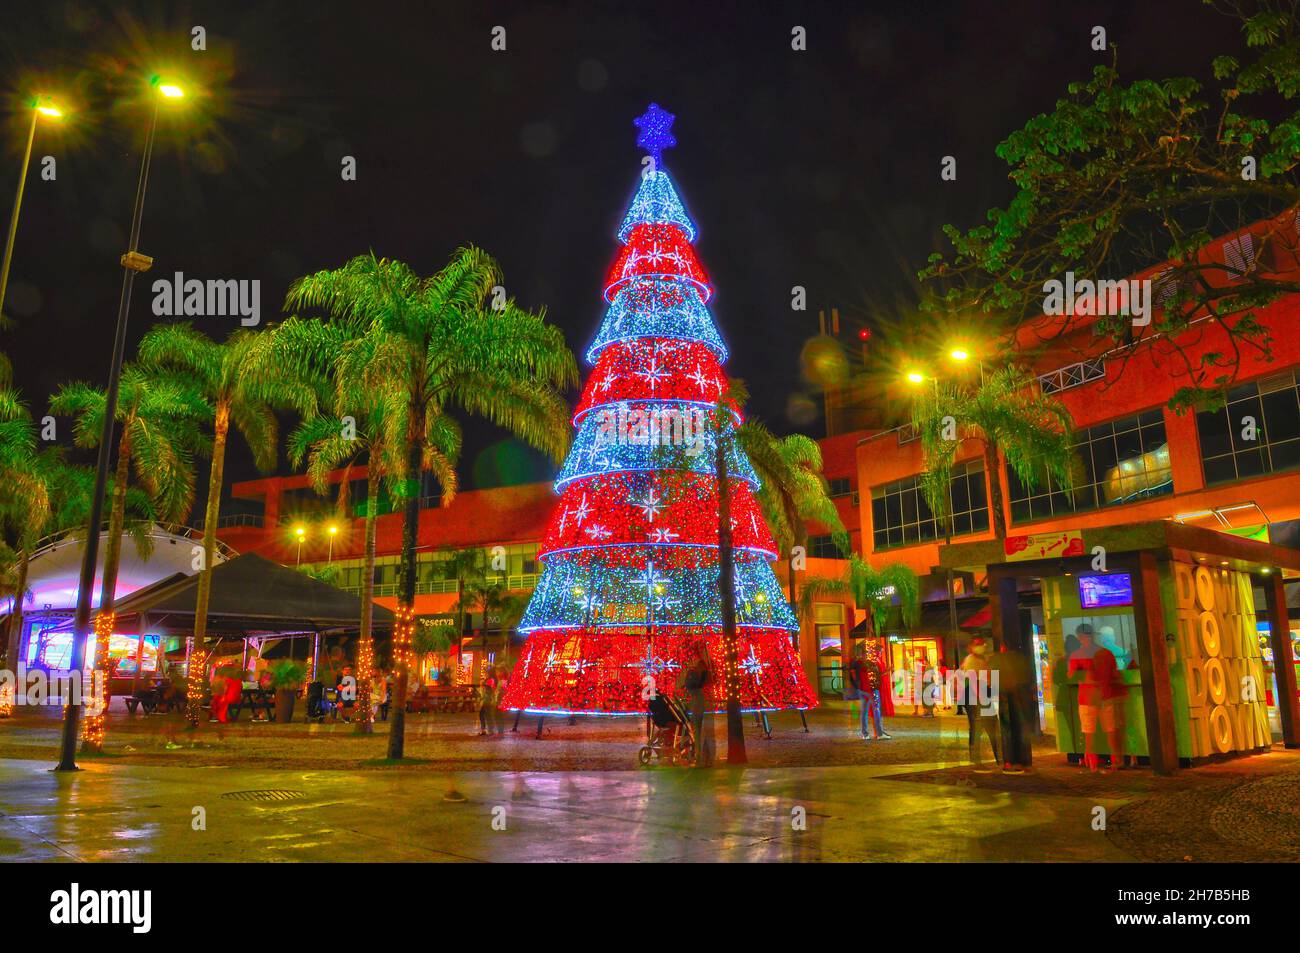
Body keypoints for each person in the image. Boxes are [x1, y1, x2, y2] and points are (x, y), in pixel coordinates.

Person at [1068, 623, 1107, 771]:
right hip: (1104, 697)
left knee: (1089, 733)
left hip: (1086, 698)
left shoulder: (1077, 655)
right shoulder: (1103, 652)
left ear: (1080, 637)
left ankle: (1092, 763)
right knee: (1107, 731)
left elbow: (1071, 676)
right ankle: (1110, 761)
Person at [960, 638, 1000, 772]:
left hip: (982, 696)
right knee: (978, 728)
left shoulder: (982, 660)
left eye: (982, 645)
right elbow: (973, 681)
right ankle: (977, 761)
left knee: (992, 727)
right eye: (978, 645)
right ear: (971, 647)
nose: (981, 647)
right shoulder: (971, 660)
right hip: (975, 697)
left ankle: (1000, 759)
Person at [681, 646, 716, 767]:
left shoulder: (697, 672)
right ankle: (703, 756)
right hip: (700, 703)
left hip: (700, 703)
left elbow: (690, 685)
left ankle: (702, 756)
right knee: (702, 731)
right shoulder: (702, 671)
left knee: (702, 731)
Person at [849, 642, 890, 740]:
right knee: (876, 710)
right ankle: (879, 733)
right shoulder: (869, 663)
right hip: (872, 689)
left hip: (863, 690)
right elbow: (875, 675)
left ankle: (865, 734)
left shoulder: (858, 663)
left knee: (865, 712)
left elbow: (853, 674)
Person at [478, 667, 499, 736]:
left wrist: (484, 684)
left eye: (486, 672)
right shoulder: (490, 679)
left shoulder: (490, 680)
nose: (485, 673)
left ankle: (485, 729)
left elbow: (490, 688)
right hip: (487, 698)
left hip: (487, 699)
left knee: (483, 714)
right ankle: (488, 729)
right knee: (486, 714)